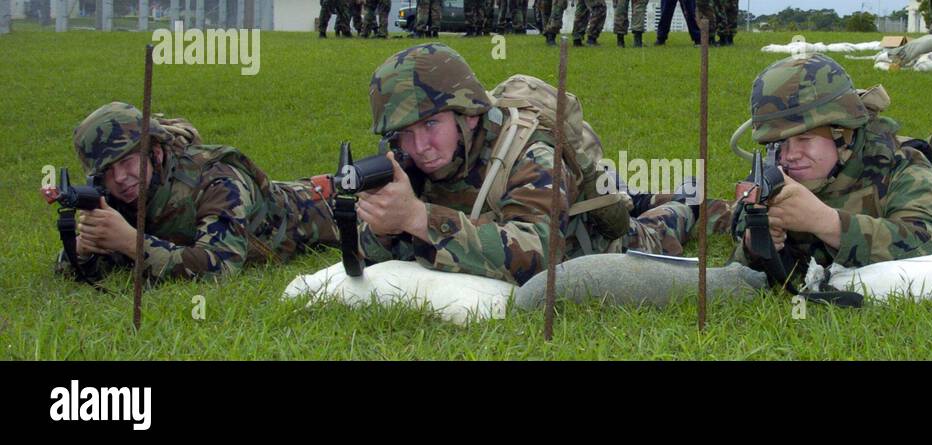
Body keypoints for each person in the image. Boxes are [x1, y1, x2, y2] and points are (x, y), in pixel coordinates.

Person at [356, 43, 728, 285]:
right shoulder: (410, 158)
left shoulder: (532, 151)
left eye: (431, 124)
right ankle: (635, 191)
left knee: (661, 223)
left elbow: (538, 258)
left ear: (468, 116)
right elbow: (372, 250)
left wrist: (419, 219)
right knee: (626, 190)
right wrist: (385, 226)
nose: (420, 145)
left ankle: (686, 200)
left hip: (595, 237)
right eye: (405, 131)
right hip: (534, 206)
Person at [731, 54, 932, 285]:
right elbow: (741, 241)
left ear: (843, 132)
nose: (790, 155)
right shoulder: (776, 175)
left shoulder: (901, 164)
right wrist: (755, 244)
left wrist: (826, 222)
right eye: (778, 144)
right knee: (716, 211)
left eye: (805, 139)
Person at [55, 102, 339, 281]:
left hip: (317, 208)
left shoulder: (217, 180)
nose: (120, 178)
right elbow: (74, 269)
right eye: (107, 171)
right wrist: (83, 248)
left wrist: (132, 243)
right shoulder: (116, 192)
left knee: (363, 198)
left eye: (128, 162)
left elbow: (221, 267)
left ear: (155, 153)